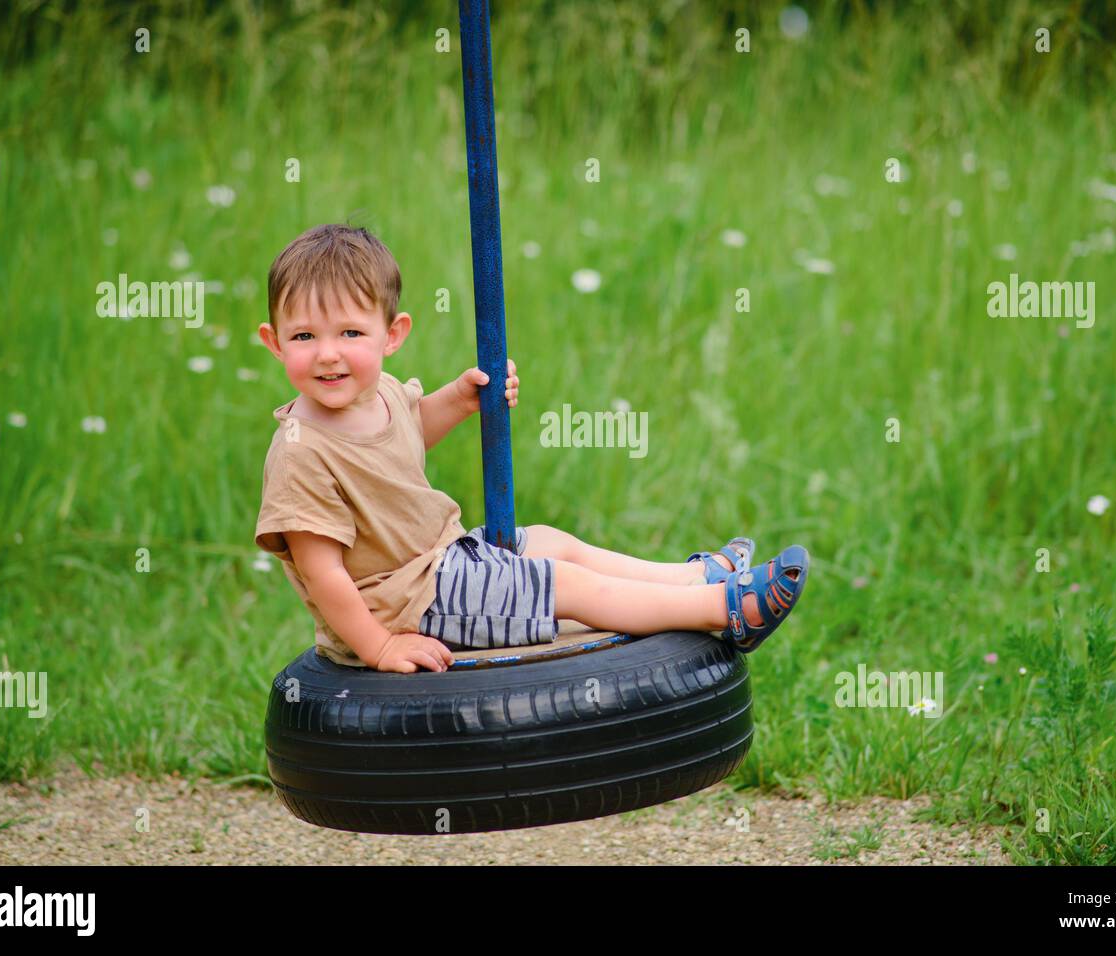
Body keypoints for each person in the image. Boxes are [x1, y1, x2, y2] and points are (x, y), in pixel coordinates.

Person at [254, 224, 808, 673]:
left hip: (441, 565)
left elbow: (407, 435)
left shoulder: (383, 396)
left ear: (392, 334)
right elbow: (323, 572)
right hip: (404, 607)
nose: (328, 354)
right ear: (275, 343)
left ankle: (692, 576)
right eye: (305, 337)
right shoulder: (301, 452)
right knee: (560, 583)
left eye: (350, 334)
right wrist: (379, 647)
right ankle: (724, 609)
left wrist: (462, 398)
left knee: (549, 541)